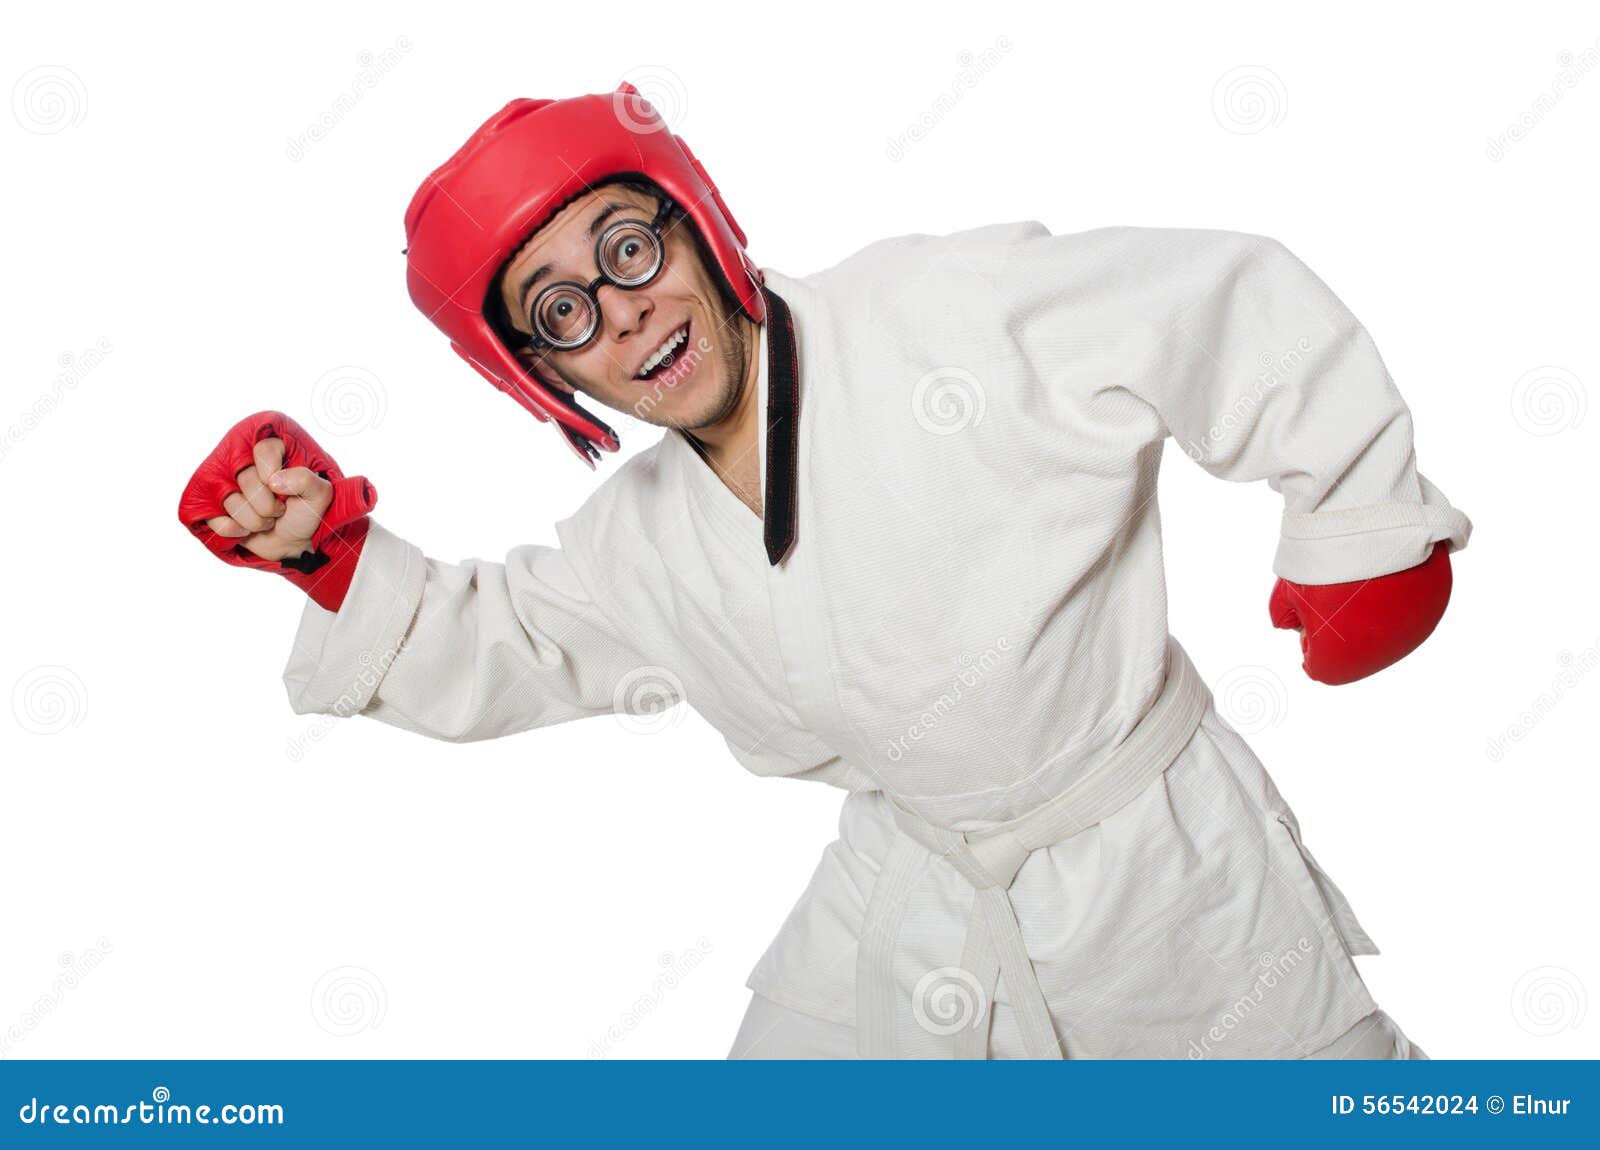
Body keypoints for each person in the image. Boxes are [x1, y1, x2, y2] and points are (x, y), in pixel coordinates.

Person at [178, 84, 1470, 1059]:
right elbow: (519, 637)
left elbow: (1214, 301)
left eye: (627, 246)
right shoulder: (638, 537)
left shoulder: (942, 314)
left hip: (1161, 861)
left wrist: (1360, 518)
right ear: (542, 373)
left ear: (694, 218)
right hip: (915, 874)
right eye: (561, 310)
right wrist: (333, 554)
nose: (619, 310)